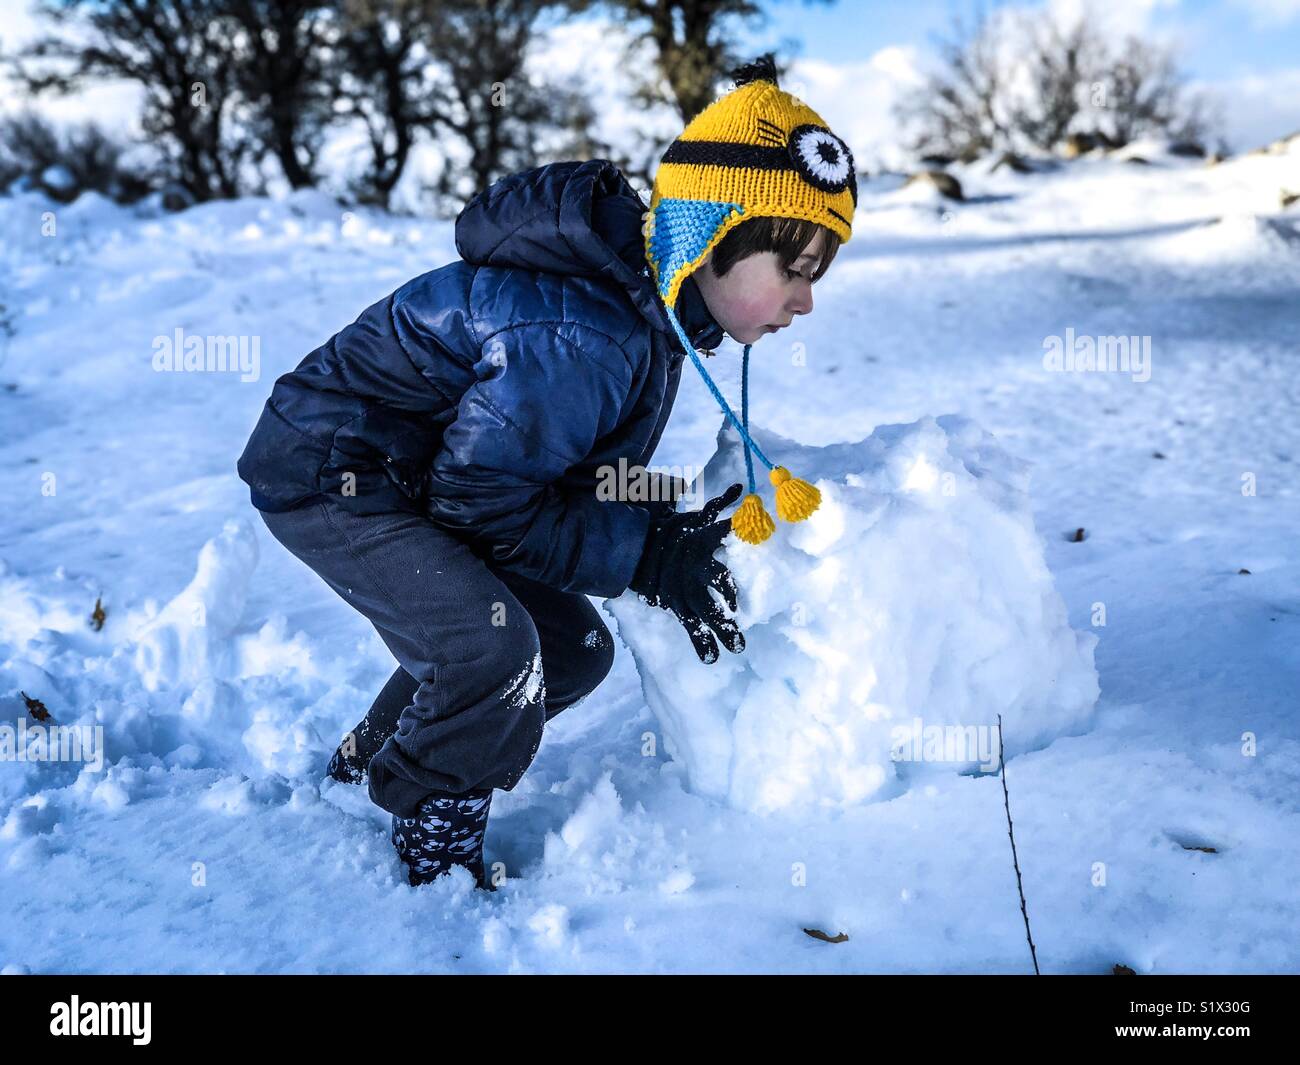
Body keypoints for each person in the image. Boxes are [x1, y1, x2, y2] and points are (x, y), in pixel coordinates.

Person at [235, 53, 856, 889]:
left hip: (429, 476)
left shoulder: (649, 317)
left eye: (817, 273)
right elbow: (484, 503)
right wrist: (637, 554)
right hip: (334, 467)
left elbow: (555, 471)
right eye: (793, 268)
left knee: (571, 649)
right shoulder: (589, 336)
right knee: (494, 648)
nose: (806, 300)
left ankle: (371, 760)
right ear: (712, 238)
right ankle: (431, 837)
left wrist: (649, 520)